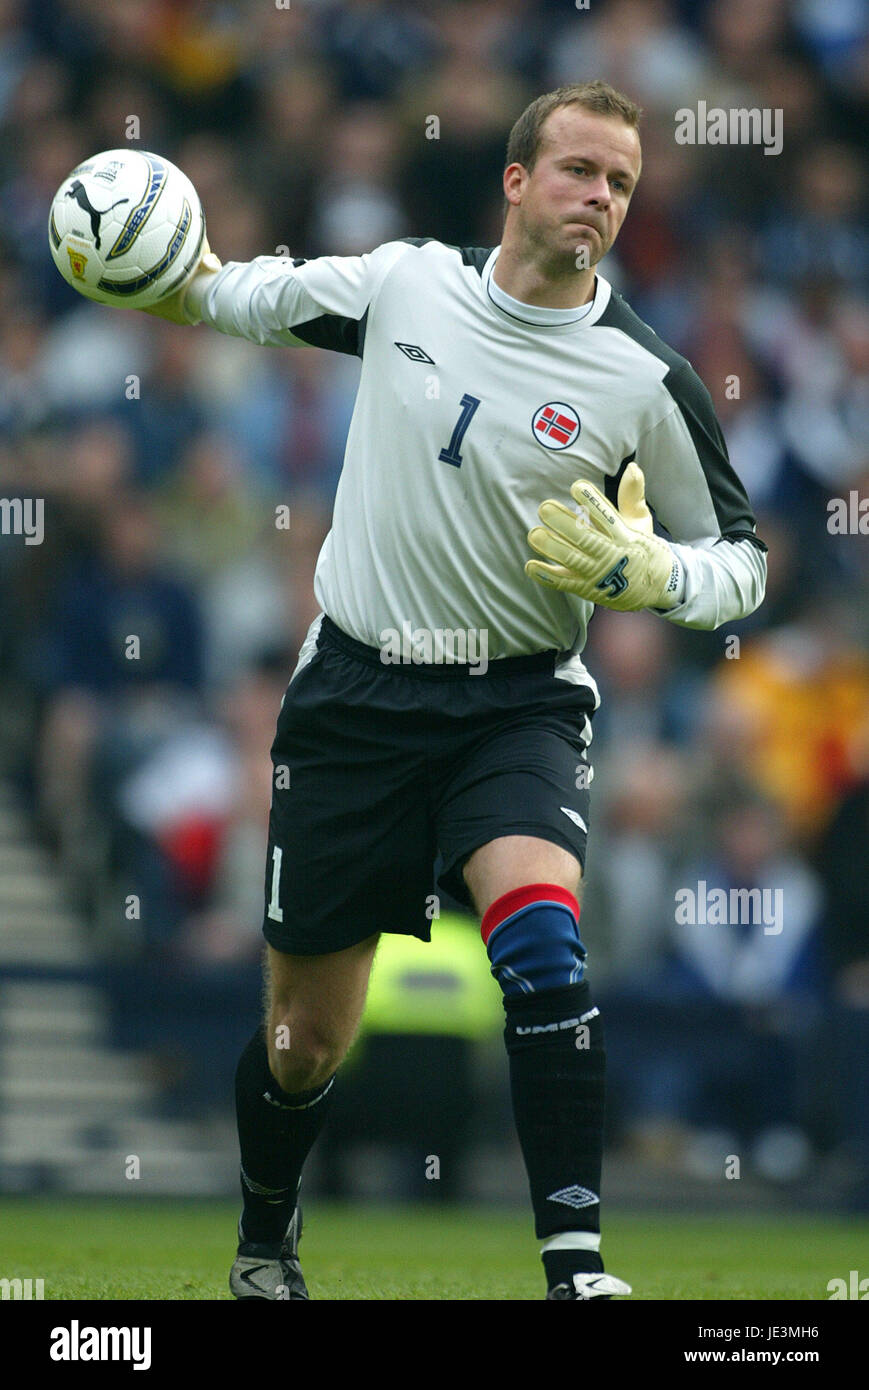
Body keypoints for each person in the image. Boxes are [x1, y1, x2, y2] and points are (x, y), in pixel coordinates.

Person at [144, 80, 767, 1300]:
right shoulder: (404, 284)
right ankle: (265, 1237)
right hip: (354, 699)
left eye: (621, 184)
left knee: (543, 951)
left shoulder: (642, 377)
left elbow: (740, 562)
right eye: (580, 170)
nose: (600, 197)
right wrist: (152, 266)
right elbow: (236, 292)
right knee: (301, 1043)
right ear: (516, 182)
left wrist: (651, 570)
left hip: (515, 706)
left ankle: (574, 1270)